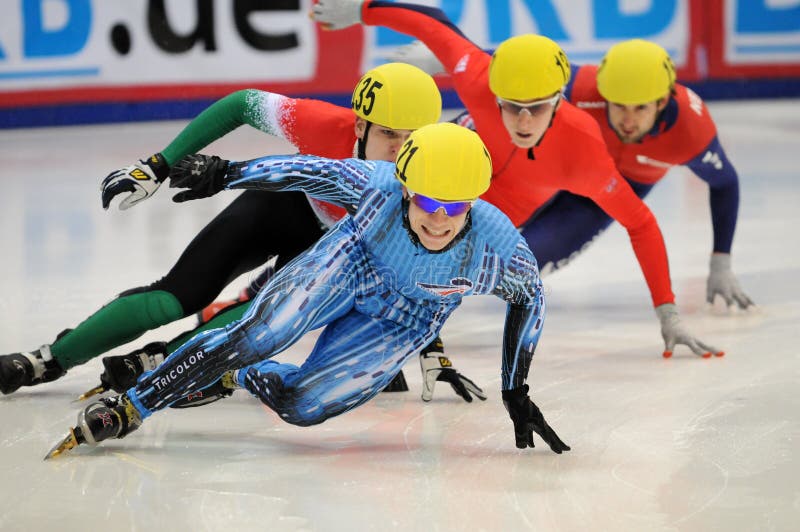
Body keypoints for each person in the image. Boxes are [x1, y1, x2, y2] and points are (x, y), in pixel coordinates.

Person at [45, 123, 570, 458]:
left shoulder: (499, 248)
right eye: (428, 202)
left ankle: (237, 375)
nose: (439, 219)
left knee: (303, 405)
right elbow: (306, 171)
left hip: (407, 317)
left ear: (474, 202)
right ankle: (133, 406)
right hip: (353, 262)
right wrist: (225, 173)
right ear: (406, 188)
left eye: (455, 207)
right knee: (258, 333)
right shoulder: (377, 186)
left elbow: (530, 300)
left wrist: (515, 389)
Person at [0, 63, 484, 403]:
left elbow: (431, 268)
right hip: (283, 205)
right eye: (388, 135)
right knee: (173, 298)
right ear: (359, 126)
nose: (400, 151)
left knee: (259, 320)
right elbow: (242, 104)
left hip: (333, 247)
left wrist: (430, 346)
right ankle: (48, 359)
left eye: (413, 138)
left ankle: (164, 360)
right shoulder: (321, 125)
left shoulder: (434, 176)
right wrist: (160, 164)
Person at [311, 0, 724, 358]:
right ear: (495, 95)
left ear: (559, 100)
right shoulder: (477, 78)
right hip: (455, 164)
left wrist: (668, 311)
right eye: (510, 107)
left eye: (537, 108)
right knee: (387, 220)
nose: (523, 123)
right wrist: (363, 9)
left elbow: (640, 222)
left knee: (478, 267)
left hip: (502, 208)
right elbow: (433, 24)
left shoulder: (583, 151)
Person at [430, 39, 752, 309]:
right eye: (618, 105)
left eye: (640, 108)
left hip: (608, 190)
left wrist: (720, 260)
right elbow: (515, 68)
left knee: (520, 264)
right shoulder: (584, 88)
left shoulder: (690, 131)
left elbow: (725, 183)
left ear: (662, 102)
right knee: (452, 223)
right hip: (558, 165)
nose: (628, 121)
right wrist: (451, 59)